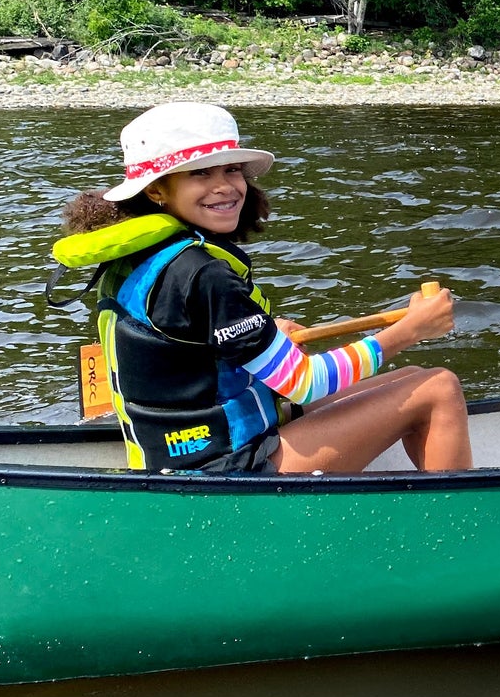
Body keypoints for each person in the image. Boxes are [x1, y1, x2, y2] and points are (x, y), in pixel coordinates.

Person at [52, 102, 471, 475]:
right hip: (223, 466)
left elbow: (182, 342)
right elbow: (305, 383)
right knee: (437, 386)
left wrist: (266, 334)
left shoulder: (136, 257)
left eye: (232, 169)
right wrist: (412, 329)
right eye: (201, 173)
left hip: (171, 455)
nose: (225, 187)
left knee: (413, 378)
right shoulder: (203, 272)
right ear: (156, 189)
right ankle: (454, 536)